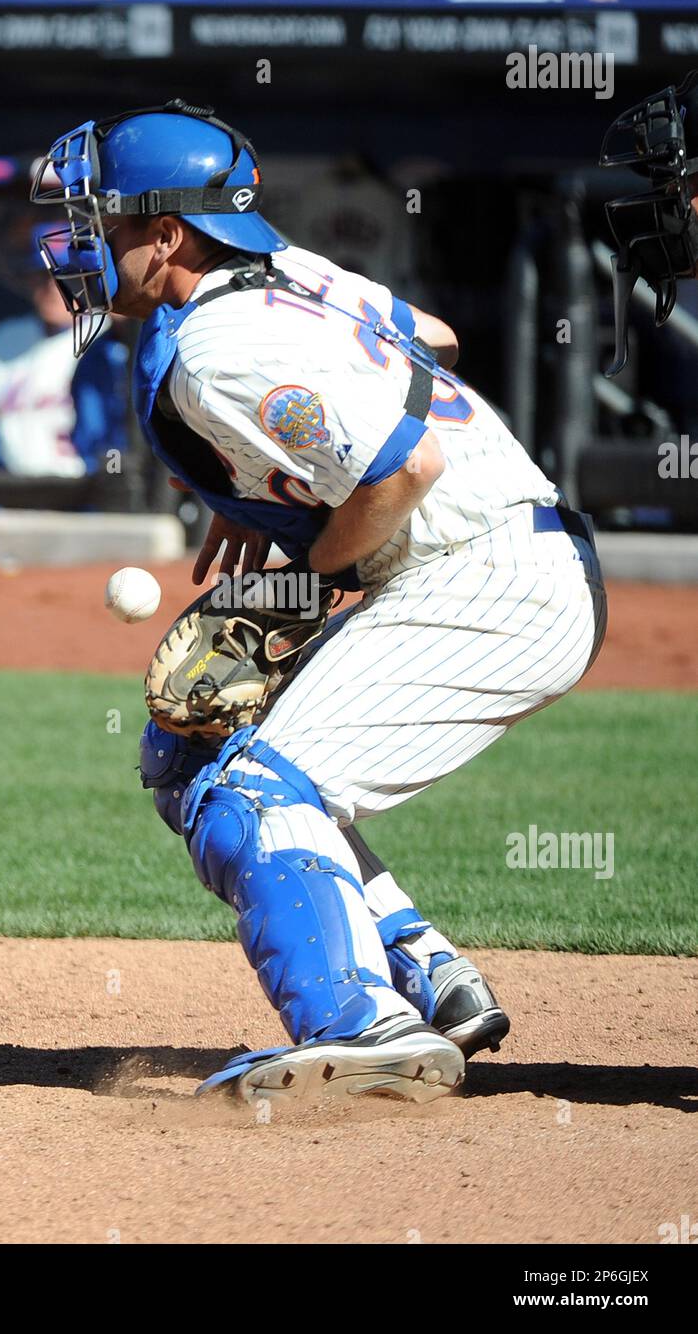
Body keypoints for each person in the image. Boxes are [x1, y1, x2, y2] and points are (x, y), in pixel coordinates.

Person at [32, 99, 608, 1107]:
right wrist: (285, 473)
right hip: (490, 552)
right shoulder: (288, 272)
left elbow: (404, 465)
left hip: (484, 575)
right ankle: (427, 981)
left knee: (251, 797)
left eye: (108, 221)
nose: (84, 241)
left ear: (168, 236)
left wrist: (310, 577)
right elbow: (432, 337)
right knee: (193, 754)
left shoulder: (218, 350)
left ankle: (358, 1028)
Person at [0, 226, 85, 476]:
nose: (52, 287)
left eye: (65, 276)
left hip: (80, 493)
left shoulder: (105, 339)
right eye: (43, 275)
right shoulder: (4, 339)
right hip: (14, 490)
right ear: (28, 279)